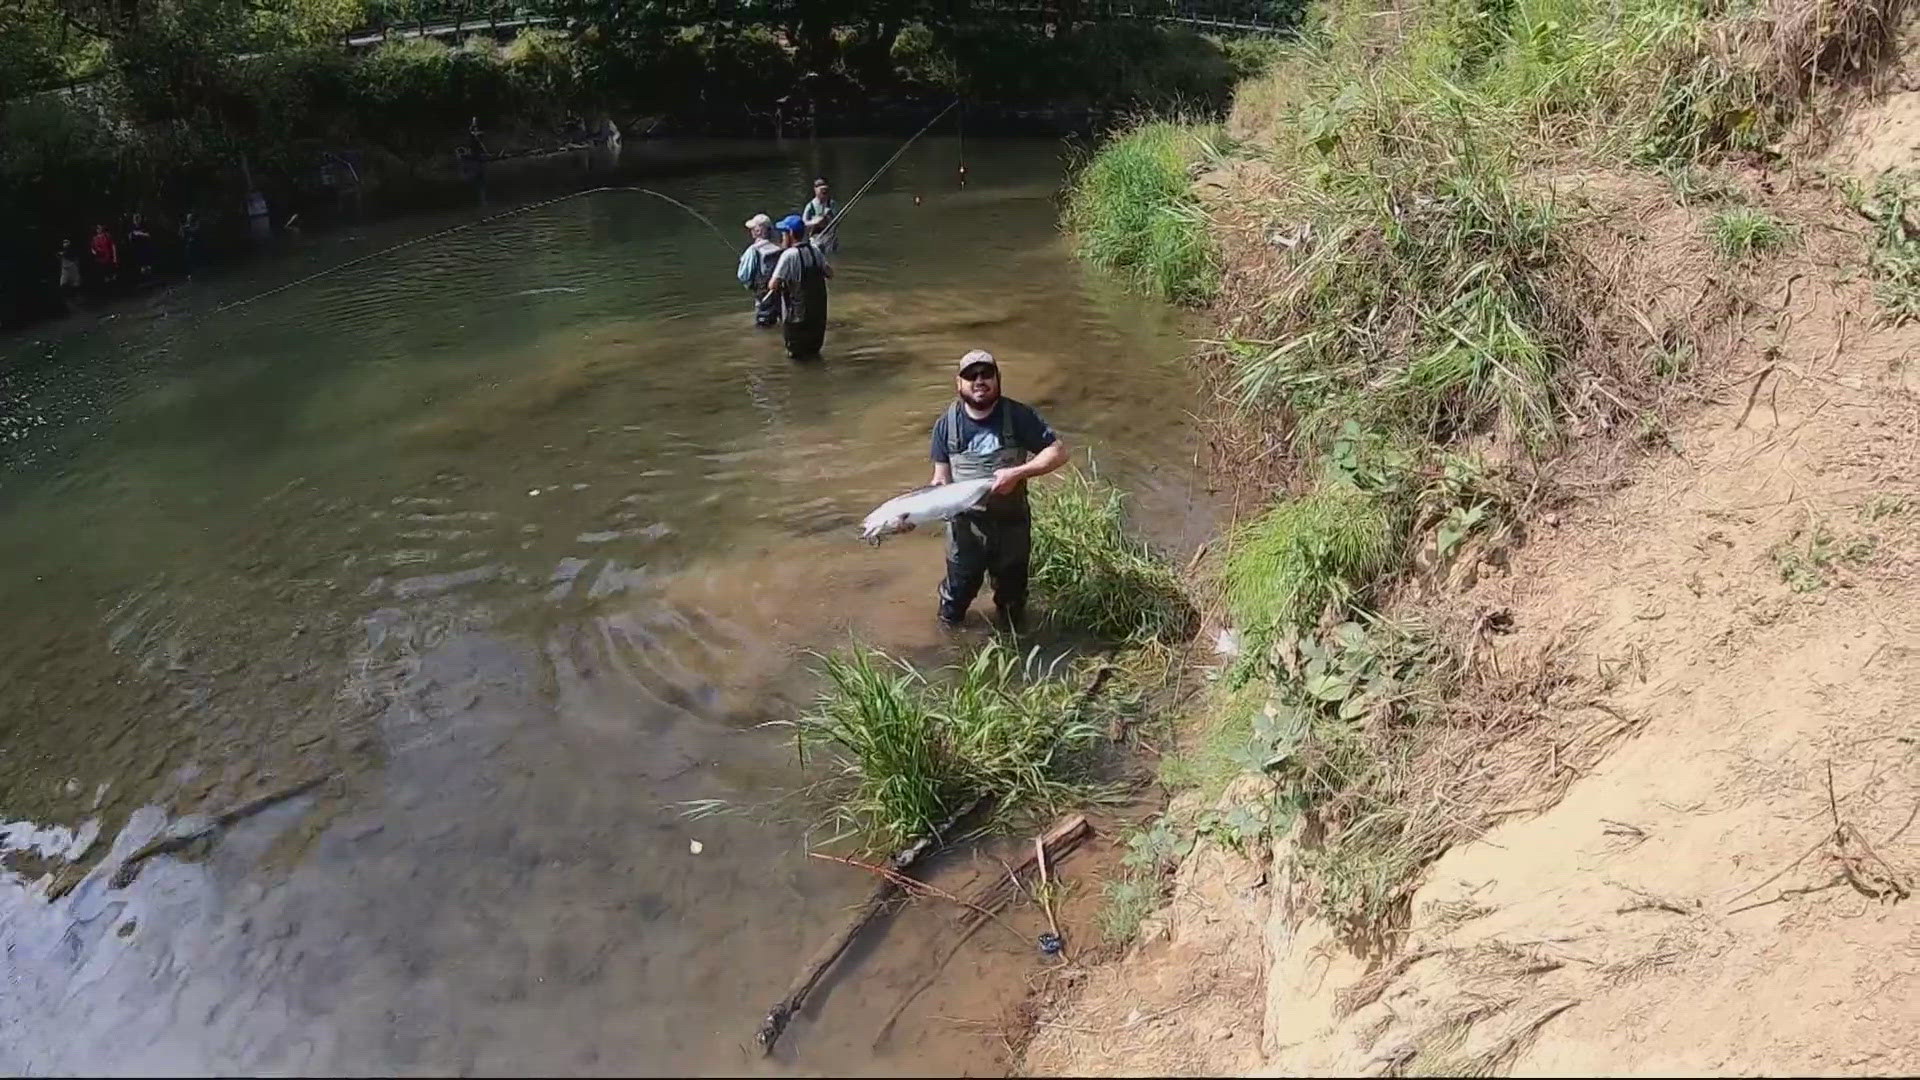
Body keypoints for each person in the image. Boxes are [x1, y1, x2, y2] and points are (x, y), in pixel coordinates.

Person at [922, 350, 1069, 630]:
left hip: (1011, 526)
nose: (979, 381)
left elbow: (1059, 453)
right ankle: (950, 650)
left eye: (986, 374)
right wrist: (912, 516)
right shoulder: (945, 425)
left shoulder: (1019, 416)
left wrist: (1019, 472)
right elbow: (940, 481)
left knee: (1012, 602)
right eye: (971, 375)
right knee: (955, 601)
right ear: (959, 383)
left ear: (998, 379)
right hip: (965, 530)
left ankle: (1015, 651)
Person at [765, 214, 832, 359]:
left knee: (796, 357)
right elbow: (829, 273)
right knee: (814, 354)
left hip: (797, 317)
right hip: (818, 315)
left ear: (790, 234)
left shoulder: (788, 255)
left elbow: (773, 285)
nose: (782, 237)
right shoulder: (815, 251)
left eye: (783, 233)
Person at [736, 213, 783, 327]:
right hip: (779, 295)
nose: (751, 231)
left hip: (762, 295)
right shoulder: (779, 249)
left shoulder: (753, 250)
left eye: (753, 228)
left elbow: (743, 276)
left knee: (762, 327)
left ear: (758, 231)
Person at [803, 177, 837, 256]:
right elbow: (804, 223)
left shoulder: (832, 204)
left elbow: (836, 221)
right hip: (815, 238)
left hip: (830, 237)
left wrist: (830, 215)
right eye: (822, 191)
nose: (824, 193)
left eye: (825, 191)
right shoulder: (810, 206)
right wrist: (815, 222)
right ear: (815, 190)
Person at [89, 224, 118, 291]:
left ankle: (113, 289)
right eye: (97, 228)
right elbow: (92, 248)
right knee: (103, 276)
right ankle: (105, 290)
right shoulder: (94, 238)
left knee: (111, 275)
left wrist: (114, 257)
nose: (99, 229)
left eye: (100, 228)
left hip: (108, 258)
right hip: (99, 260)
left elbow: (113, 246)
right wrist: (95, 252)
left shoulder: (107, 236)